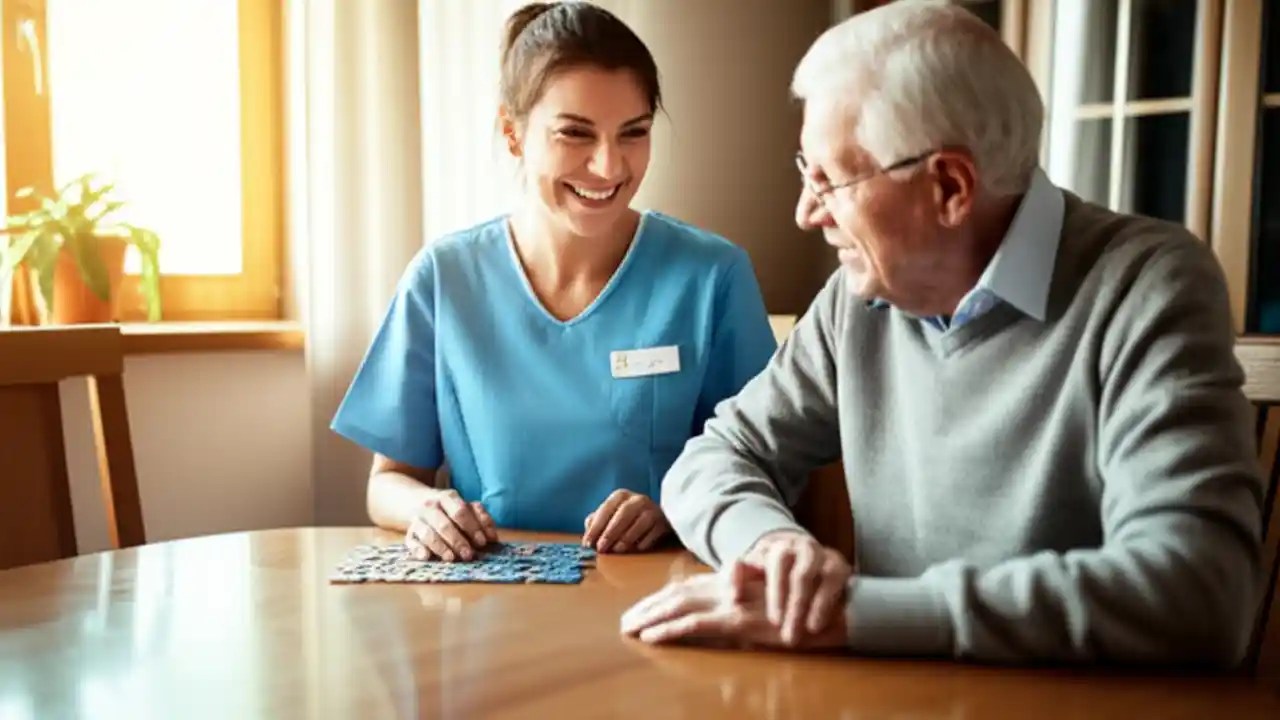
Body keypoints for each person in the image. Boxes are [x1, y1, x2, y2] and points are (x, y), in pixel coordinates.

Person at [621, 0, 1264, 666]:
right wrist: (775, 553)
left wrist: (857, 613)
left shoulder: (1146, 284)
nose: (806, 211)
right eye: (803, 171)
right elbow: (714, 459)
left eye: (830, 179)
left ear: (950, 186)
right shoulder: (859, 297)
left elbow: (1199, 591)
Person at [331, 1, 776, 562]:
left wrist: (676, 511)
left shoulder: (713, 277)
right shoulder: (444, 279)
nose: (610, 167)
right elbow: (388, 482)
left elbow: (764, 465)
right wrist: (428, 510)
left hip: (658, 598)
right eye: (576, 134)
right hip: (490, 605)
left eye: (633, 133)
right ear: (512, 134)